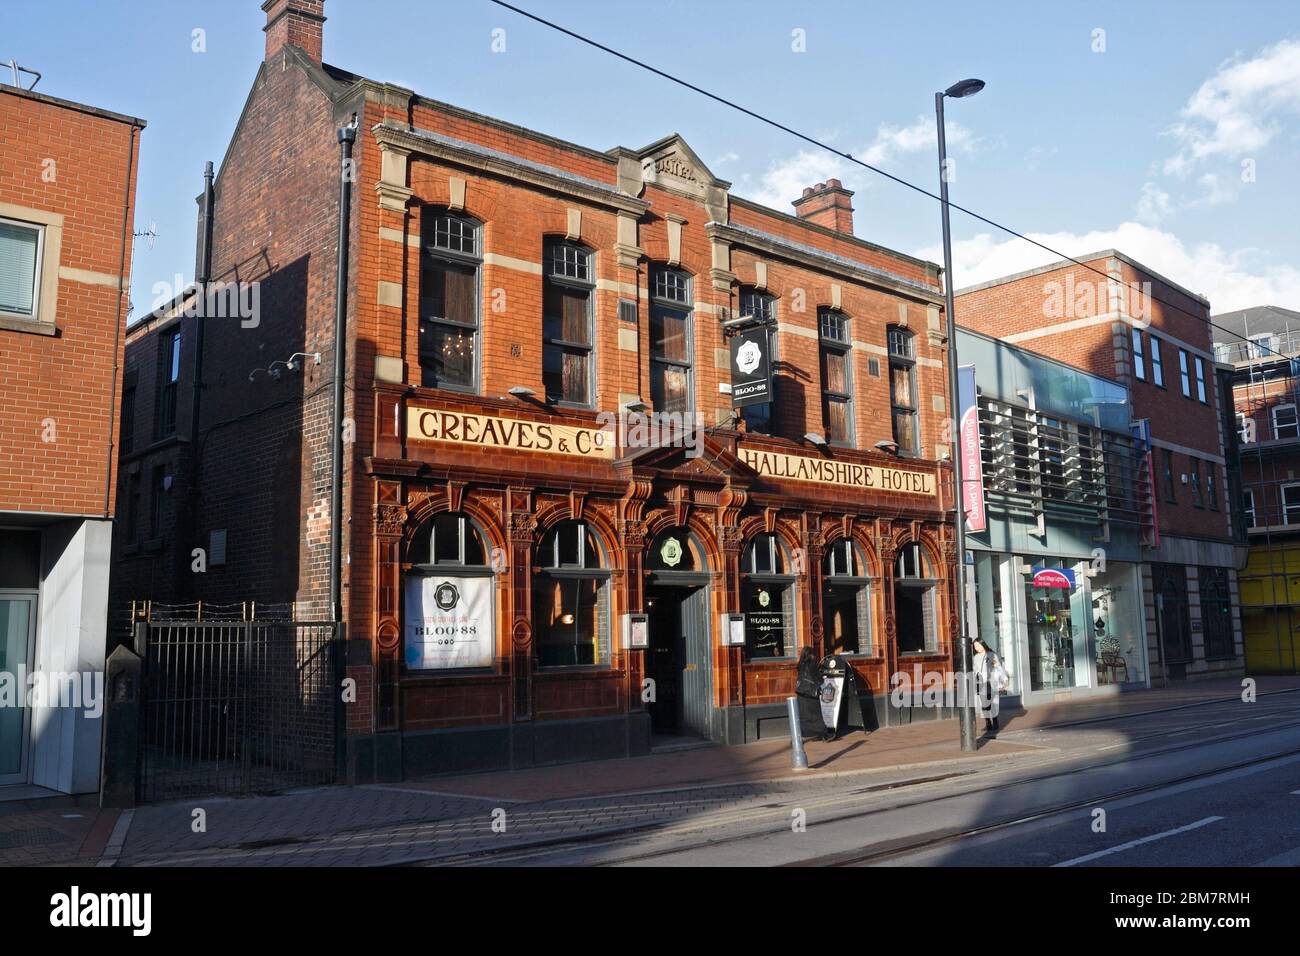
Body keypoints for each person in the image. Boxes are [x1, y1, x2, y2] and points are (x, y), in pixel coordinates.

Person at [971, 637, 1008, 738]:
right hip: (982, 682)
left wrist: (1003, 680)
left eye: (978, 645)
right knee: (984, 704)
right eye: (975, 646)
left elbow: (998, 667)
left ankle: (995, 720)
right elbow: (974, 670)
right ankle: (988, 722)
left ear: (983, 644)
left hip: (992, 682)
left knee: (993, 702)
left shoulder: (991, 654)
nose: (976, 648)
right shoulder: (975, 657)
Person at [795, 647, 827, 740]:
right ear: (810, 654)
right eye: (813, 654)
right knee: (816, 715)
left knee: (804, 715)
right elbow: (817, 678)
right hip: (811, 693)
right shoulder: (812, 664)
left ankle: (803, 734)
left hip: (801, 692)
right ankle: (824, 733)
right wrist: (822, 679)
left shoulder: (800, 664)